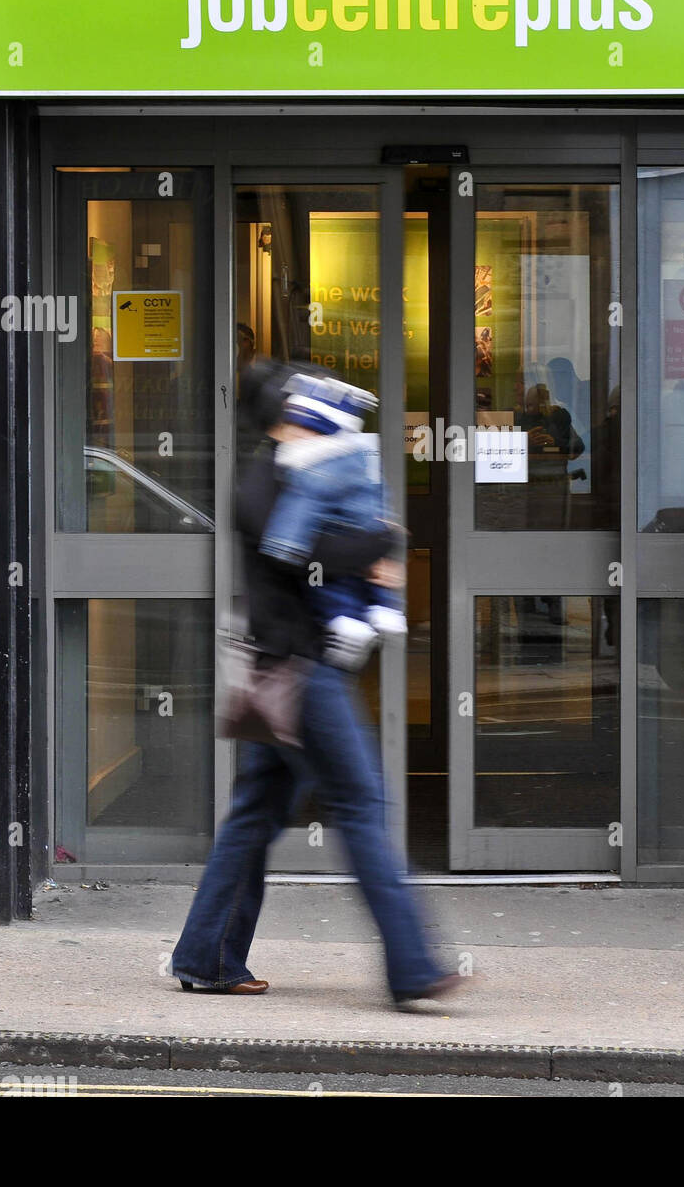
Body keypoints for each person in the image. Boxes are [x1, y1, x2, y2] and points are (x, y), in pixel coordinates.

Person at [170, 376, 463, 1006]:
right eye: (304, 406)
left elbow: (327, 546)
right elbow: (305, 551)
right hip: (300, 673)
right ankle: (413, 967)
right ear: (284, 414)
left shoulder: (296, 470)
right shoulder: (263, 481)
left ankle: (207, 956)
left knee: (254, 816)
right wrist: (382, 540)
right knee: (361, 805)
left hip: (279, 670)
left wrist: (369, 544)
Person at [260, 372, 408, 668]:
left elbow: (298, 518)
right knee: (346, 578)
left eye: (299, 425)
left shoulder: (304, 467)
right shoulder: (359, 457)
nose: (293, 432)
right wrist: (384, 540)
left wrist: (283, 544)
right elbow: (379, 504)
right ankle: (382, 607)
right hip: (300, 644)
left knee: (331, 585)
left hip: (300, 642)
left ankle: (347, 617)